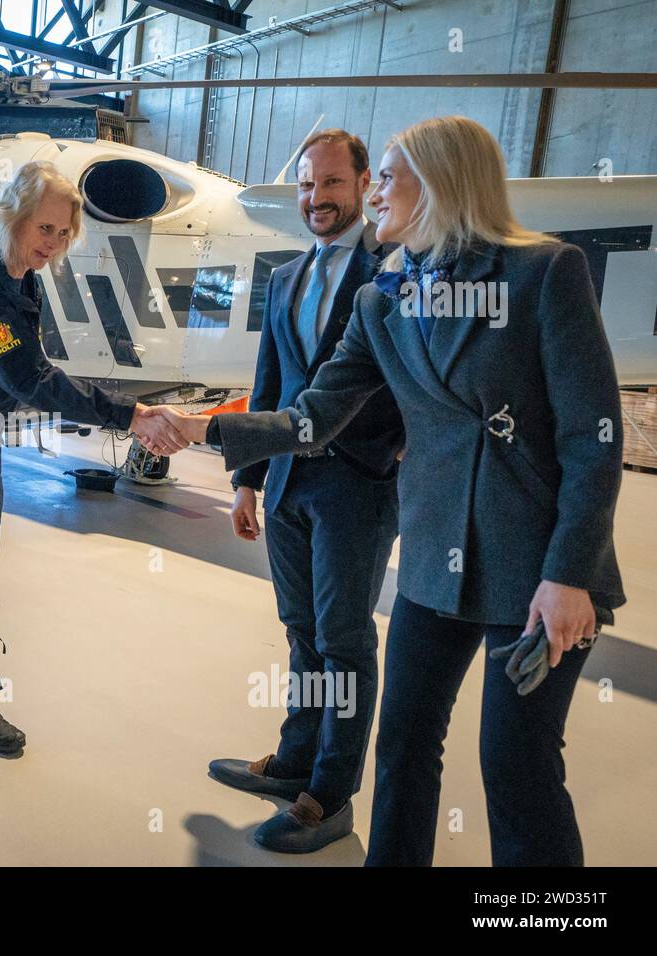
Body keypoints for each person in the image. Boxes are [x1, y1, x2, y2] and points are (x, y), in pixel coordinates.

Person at [175, 115, 625, 865]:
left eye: (387, 174)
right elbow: (313, 415)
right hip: (434, 561)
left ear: (443, 179)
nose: (373, 191)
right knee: (404, 745)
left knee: (516, 765)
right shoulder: (383, 299)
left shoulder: (543, 272)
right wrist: (199, 429)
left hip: (535, 567)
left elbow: (592, 436)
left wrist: (569, 575)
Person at [0, 161, 187, 782]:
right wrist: (126, 413)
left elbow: (24, 371)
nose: (50, 242)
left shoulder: (24, 280)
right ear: (13, 219)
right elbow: (27, 377)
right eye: (42, 227)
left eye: (61, 231)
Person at [207, 130, 404, 853]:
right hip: (288, 482)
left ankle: (330, 793)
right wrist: (247, 481)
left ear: (360, 187)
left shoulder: (394, 273)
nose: (316, 199)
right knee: (303, 633)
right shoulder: (286, 276)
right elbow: (270, 386)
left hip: (359, 482)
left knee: (345, 640)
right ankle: (294, 763)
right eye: (305, 186)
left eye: (331, 185)